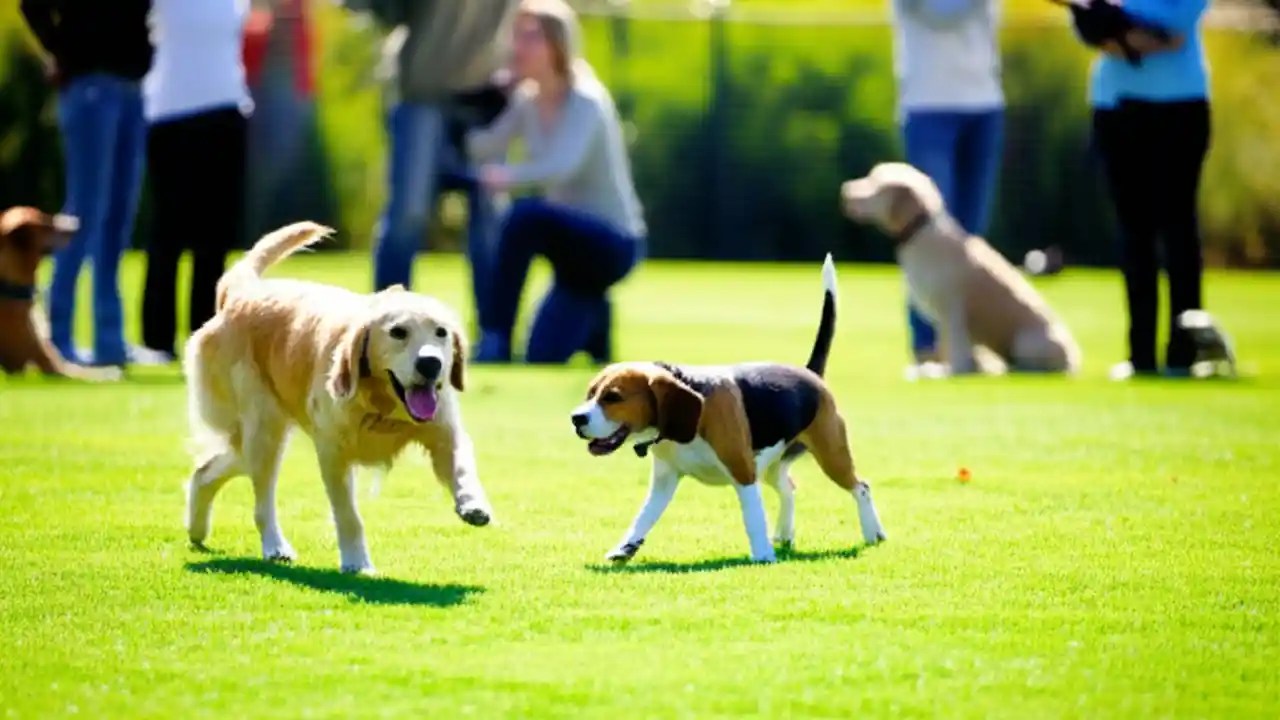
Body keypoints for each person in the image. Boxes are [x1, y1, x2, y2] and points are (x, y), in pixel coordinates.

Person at [469, 0, 646, 365]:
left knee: (524, 218)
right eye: (517, 36)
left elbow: (560, 167)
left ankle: (495, 338)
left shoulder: (586, 98)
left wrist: (504, 178)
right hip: (570, 254)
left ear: (558, 44)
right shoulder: (526, 99)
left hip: (611, 244)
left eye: (532, 37)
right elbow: (484, 146)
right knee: (542, 355)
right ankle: (595, 320)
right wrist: (475, 105)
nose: (519, 46)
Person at [18, 0, 165, 368]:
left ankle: (109, 341)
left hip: (133, 87)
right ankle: (58, 339)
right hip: (89, 86)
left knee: (118, 218)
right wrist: (63, 52)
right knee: (83, 215)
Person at [340, 0, 519, 296]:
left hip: (487, 96)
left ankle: (494, 334)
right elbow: (386, 12)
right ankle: (387, 321)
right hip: (423, 93)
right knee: (408, 214)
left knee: (490, 220)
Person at [1080, 0, 1213, 378]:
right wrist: (1116, 30)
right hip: (1116, 106)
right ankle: (1140, 354)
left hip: (1181, 107)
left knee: (1179, 229)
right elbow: (1092, 26)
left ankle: (1185, 352)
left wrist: (1120, 27)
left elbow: (1175, 30)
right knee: (1133, 231)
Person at [889, 0, 1005, 368]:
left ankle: (968, 345)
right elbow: (944, 16)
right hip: (927, 106)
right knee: (927, 236)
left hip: (985, 104)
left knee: (971, 236)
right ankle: (927, 349)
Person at [140, 0, 254, 360]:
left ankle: (205, 335)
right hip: (170, 114)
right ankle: (158, 340)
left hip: (227, 110)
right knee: (168, 232)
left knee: (215, 237)